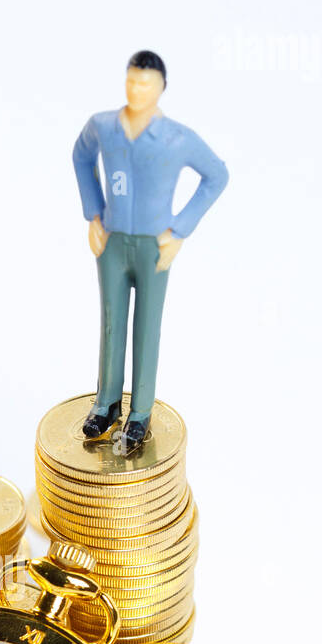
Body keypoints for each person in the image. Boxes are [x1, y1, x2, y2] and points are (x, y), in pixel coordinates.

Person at [72, 51, 228, 448]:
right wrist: (93, 212)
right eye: (130, 79)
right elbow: (81, 154)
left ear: (161, 87)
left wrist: (180, 230)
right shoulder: (104, 126)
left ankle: (140, 412)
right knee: (111, 321)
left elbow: (216, 175)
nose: (135, 88)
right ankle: (106, 402)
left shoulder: (176, 137)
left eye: (144, 82)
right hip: (112, 237)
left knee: (146, 327)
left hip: (154, 245)